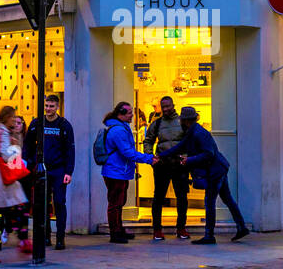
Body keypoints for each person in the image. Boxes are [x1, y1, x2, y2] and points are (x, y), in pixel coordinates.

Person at [160, 106, 250, 244]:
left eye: (181, 120)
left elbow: (209, 153)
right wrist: (161, 156)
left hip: (214, 172)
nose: (180, 122)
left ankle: (209, 235)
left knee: (209, 201)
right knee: (227, 199)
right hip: (218, 169)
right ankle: (241, 227)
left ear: (185, 121)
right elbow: (180, 147)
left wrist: (189, 160)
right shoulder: (193, 131)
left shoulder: (198, 133)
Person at [100, 100, 157, 244]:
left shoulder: (120, 127)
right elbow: (127, 152)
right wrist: (148, 158)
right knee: (115, 203)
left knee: (119, 202)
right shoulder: (118, 130)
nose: (132, 115)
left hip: (118, 171)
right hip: (116, 172)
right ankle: (115, 233)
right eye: (130, 113)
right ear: (121, 114)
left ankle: (119, 229)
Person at [23, 94, 76, 249]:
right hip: (41, 170)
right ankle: (46, 237)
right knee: (43, 204)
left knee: (59, 202)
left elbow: (70, 150)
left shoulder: (64, 125)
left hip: (59, 170)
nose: (48, 109)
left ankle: (60, 238)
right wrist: (30, 163)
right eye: (46, 106)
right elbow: (28, 146)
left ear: (57, 107)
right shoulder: (37, 123)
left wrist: (69, 172)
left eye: (51, 106)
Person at [0, 105, 30, 260]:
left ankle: (21, 240)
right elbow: (5, 155)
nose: (15, 119)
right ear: (7, 117)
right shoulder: (2, 132)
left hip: (1, 176)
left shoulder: (0, 131)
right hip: (2, 177)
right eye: (13, 116)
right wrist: (16, 148)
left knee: (13, 208)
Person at [143, 95, 190, 241]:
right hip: (162, 165)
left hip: (179, 165)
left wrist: (187, 157)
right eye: (163, 107)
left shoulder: (182, 122)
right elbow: (148, 141)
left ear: (173, 105)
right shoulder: (156, 124)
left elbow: (191, 141)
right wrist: (151, 157)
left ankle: (181, 228)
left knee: (182, 198)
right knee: (158, 198)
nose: (165, 109)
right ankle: (157, 230)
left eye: (168, 106)